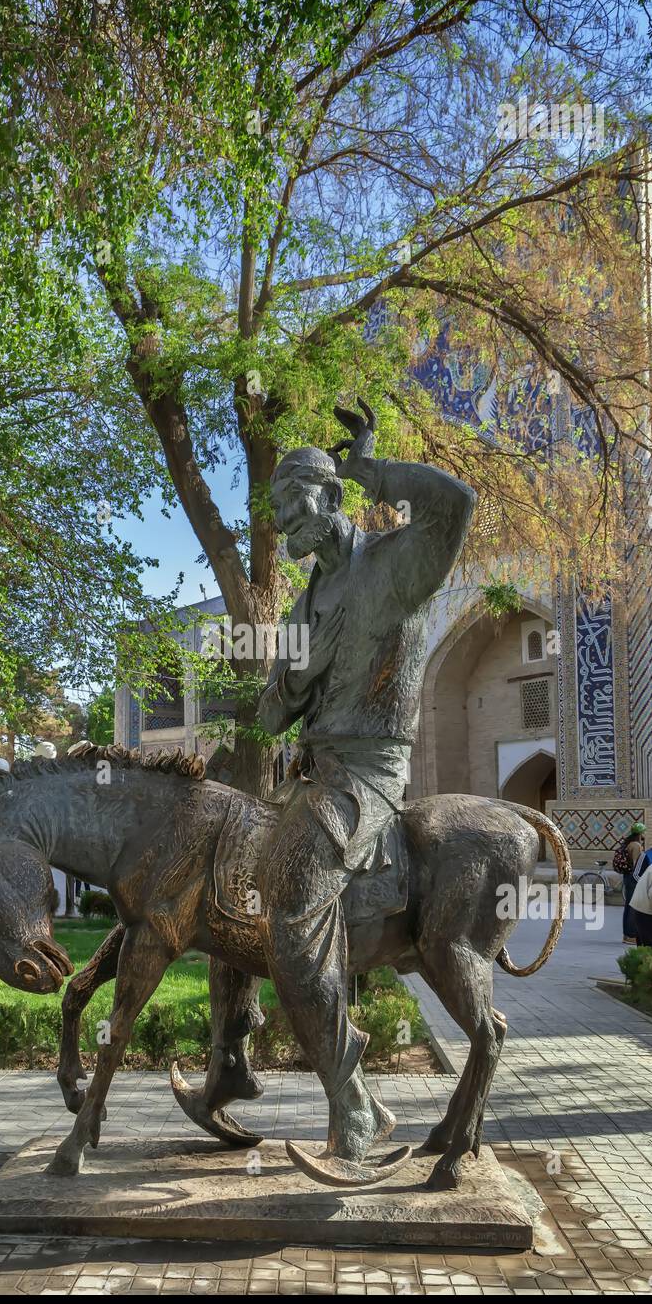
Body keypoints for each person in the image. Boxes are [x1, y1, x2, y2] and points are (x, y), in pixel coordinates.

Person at [254, 399, 476, 1162]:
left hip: (371, 772)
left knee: (293, 886)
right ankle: (229, 1064)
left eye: (296, 503)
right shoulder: (301, 606)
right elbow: (268, 717)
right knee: (222, 874)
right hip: (312, 768)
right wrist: (291, 680)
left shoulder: (392, 564)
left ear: (332, 496)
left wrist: (374, 469)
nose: (284, 523)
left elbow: (456, 505)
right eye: (277, 511)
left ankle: (352, 1104)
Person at [619, 822, 645, 944]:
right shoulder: (636, 845)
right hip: (632, 878)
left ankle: (627, 935)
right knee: (632, 907)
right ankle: (630, 935)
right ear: (640, 833)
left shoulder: (629, 843)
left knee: (629, 906)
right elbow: (637, 865)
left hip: (627, 876)